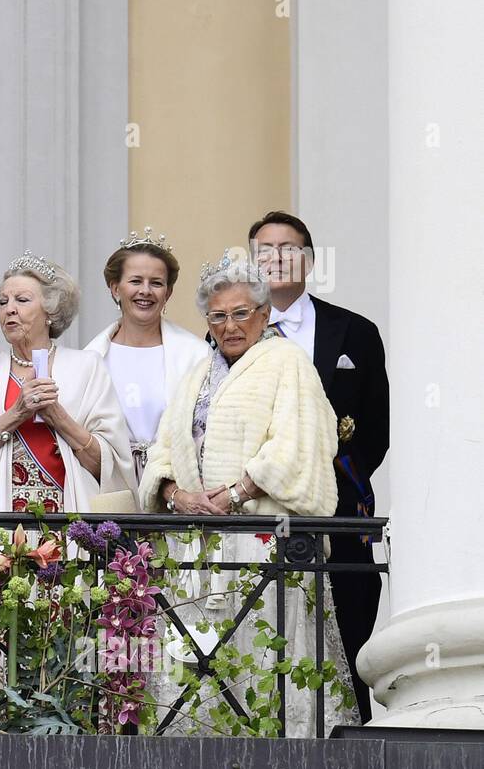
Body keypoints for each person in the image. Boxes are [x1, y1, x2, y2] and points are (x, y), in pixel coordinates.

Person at [140, 253, 358, 737]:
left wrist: (234, 495)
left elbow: (298, 445)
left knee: (261, 659)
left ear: (264, 314)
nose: (230, 325)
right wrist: (175, 494)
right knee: (201, 669)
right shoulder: (197, 373)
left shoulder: (288, 362)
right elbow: (163, 449)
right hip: (195, 550)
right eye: (218, 316)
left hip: (261, 543)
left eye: (241, 313)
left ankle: (282, 764)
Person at [249, 210, 389, 723]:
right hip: (262, 505)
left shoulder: (354, 332)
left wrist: (335, 478)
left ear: (308, 259)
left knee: (350, 619)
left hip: (339, 505)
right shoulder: (234, 333)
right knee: (268, 624)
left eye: (289, 247)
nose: (277, 257)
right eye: (265, 249)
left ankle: (352, 738)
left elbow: (377, 427)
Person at [0, 251, 133, 555]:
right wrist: (18, 413)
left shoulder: (87, 368)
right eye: (3, 302)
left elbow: (109, 465)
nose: (10, 310)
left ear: (51, 311)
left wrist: (58, 417)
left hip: (70, 529)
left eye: (22, 300)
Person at [84, 227, 210, 481]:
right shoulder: (91, 357)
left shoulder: (196, 354)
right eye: (135, 281)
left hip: (176, 484)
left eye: (156, 283)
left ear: (168, 293)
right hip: (111, 485)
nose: (145, 291)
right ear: (115, 288)